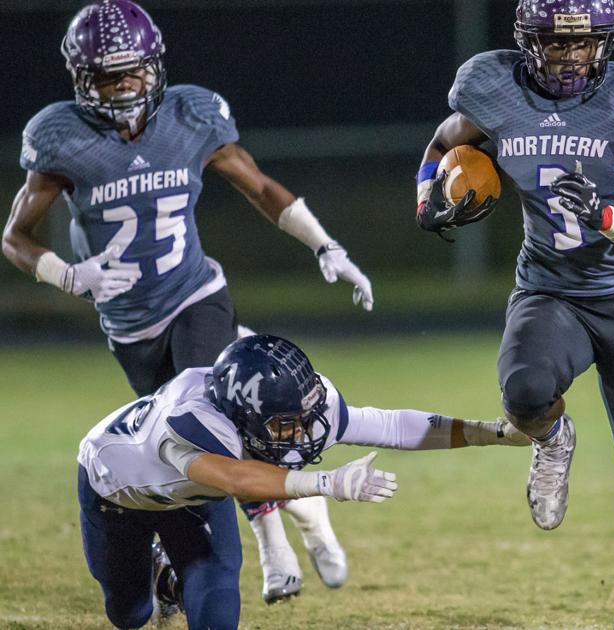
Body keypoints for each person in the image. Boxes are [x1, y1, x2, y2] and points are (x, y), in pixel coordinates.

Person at [1, 0, 375, 604]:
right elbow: (15, 237)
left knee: (217, 419)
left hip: (197, 293)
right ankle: (305, 522)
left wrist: (325, 244)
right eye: (107, 75)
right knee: (193, 438)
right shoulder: (61, 137)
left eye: (133, 71)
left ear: (156, 67)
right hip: (129, 325)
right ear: (81, 79)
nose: (124, 87)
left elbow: (258, 186)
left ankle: (276, 553)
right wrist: (67, 277)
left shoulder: (191, 115)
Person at [414, 2, 614, 627]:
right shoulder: (493, 87)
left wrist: (604, 215)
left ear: (606, 43)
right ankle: (553, 439)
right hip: (549, 289)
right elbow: (444, 142)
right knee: (524, 391)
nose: (568, 57)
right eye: (554, 44)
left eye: (582, 44)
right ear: (526, 42)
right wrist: (428, 193)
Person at [77, 333, 528, 629]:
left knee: (217, 611)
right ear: (242, 416)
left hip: (196, 501)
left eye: (303, 419)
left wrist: (487, 432)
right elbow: (234, 478)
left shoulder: (295, 409)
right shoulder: (187, 422)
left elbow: (390, 425)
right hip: (116, 494)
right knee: (129, 615)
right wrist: (326, 483)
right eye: (284, 426)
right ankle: (159, 576)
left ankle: (176, 581)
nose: (302, 433)